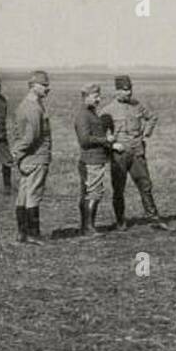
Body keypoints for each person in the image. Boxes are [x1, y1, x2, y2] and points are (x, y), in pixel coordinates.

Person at [101, 75, 167, 230]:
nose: (128, 93)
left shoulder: (137, 106)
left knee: (145, 185)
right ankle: (120, 221)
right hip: (119, 155)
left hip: (137, 152)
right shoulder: (107, 110)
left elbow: (152, 118)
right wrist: (111, 142)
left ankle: (153, 219)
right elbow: (100, 131)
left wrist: (146, 134)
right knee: (119, 189)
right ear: (116, 91)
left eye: (130, 89)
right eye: (124, 90)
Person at [10, 70, 53, 245]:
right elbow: (32, 136)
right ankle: (33, 234)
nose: (47, 88)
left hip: (27, 158)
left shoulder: (24, 105)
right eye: (43, 85)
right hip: (36, 157)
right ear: (33, 86)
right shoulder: (34, 108)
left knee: (23, 195)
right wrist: (17, 152)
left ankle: (22, 233)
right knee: (33, 195)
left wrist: (18, 155)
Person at [74, 83, 122, 237]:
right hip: (91, 160)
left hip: (94, 159)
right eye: (95, 97)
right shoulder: (84, 115)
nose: (98, 100)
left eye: (99, 96)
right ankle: (88, 229)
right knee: (93, 193)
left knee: (89, 193)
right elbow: (84, 140)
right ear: (86, 97)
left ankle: (86, 227)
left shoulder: (90, 113)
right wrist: (106, 140)